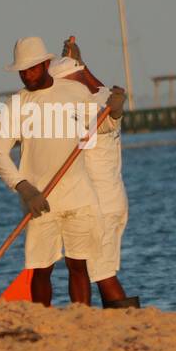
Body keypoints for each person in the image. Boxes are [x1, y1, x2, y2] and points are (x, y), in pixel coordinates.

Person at [0, 36, 124, 306]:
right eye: (22, 71)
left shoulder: (74, 93)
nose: (27, 75)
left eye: (33, 68)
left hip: (79, 195)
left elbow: (102, 126)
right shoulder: (16, 105)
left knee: (79, 264)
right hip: (40, 199)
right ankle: (43, 319)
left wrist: (115, 112)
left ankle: (81, 318)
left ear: (46, 64)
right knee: (41, 268)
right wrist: (24, 188)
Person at [52, 36, 139, 308]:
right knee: (93, 268)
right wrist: (80, 62)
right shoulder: (100, 96)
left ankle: (125, 321)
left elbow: (109, 121)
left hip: (100, 205)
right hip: (111, 200)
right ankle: (108, 322)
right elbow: (97, 86)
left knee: (100, 272)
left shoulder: (87, 110)